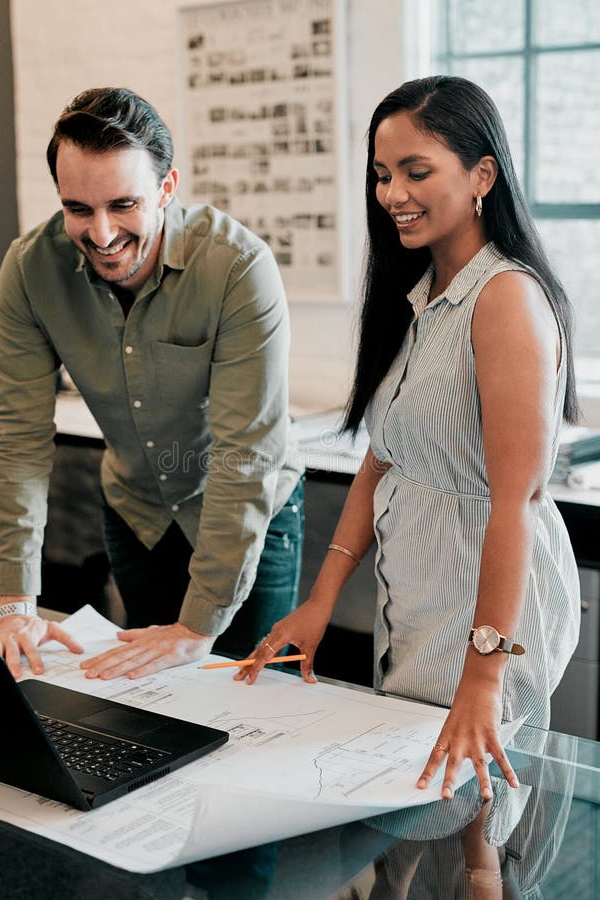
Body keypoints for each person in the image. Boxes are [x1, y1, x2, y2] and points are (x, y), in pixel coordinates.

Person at [238, 75, 581, 805]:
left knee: (477, 833)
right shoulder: (424, 296)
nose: (392, 192)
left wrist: (482, 677)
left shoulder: (505, 300)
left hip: (485, 626)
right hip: (417, 611)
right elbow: (383, 455)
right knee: (419, 824)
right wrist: (321, 598)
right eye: (382, 174)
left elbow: (514, 504)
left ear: (481, 174)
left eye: (415, 171)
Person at [0, 86, 304, 682]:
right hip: (137, 514)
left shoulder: (236, 268)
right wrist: (15, 602)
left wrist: (198, 627)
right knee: (149, 699)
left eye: (123, 205)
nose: (101, 234)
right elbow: (17, 443)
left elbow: (245, 455)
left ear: (167, 188)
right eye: (78, 209)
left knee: (256, 703)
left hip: (245, 511)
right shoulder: (31, 270)